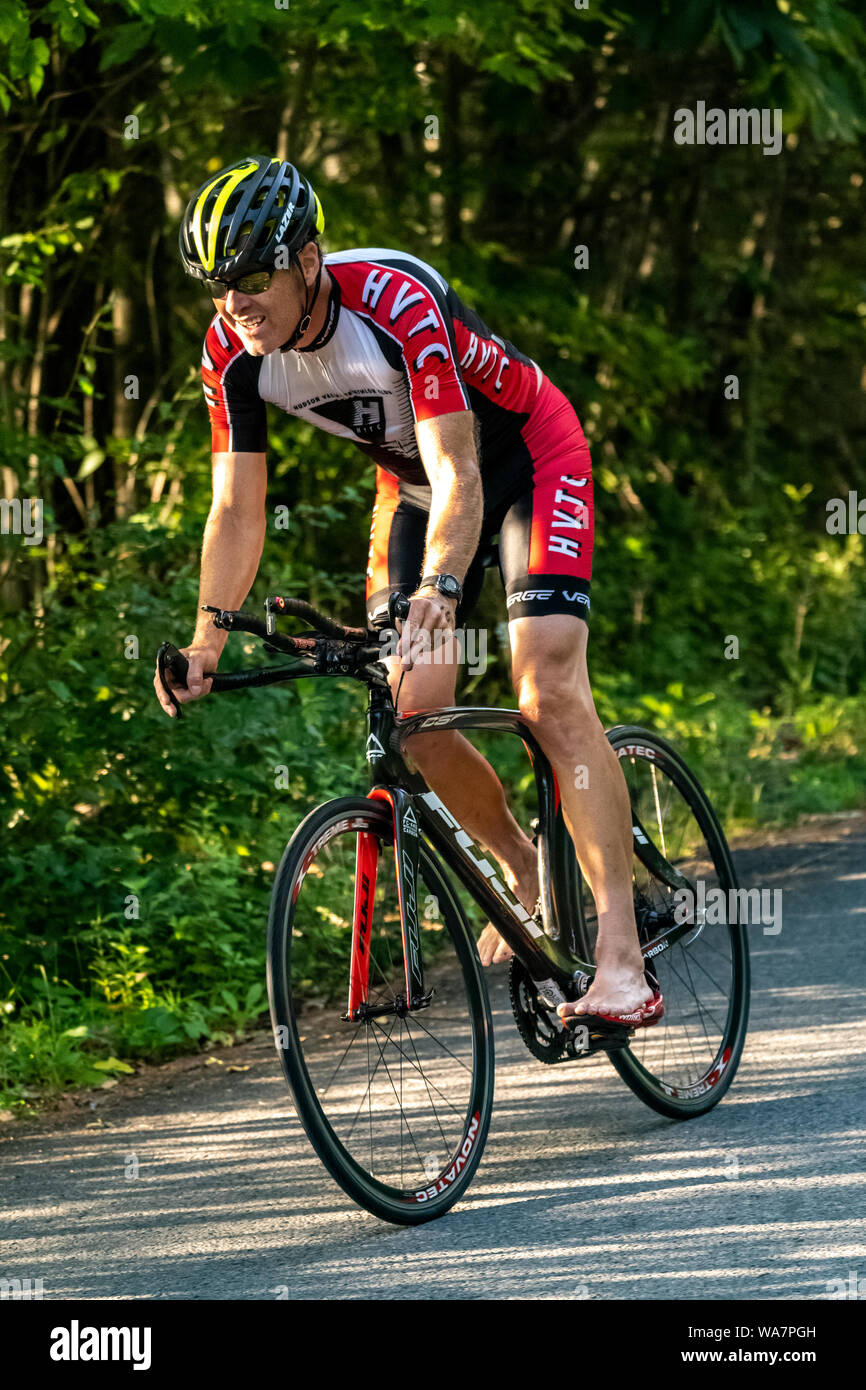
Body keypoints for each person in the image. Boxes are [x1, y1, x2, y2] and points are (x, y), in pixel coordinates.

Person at [154, 154, 663, 1029]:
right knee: (414, 710)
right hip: (417, 486)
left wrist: (441, 585)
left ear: (307, 260)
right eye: (215, 287)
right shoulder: (231, 354)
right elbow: (236, 507)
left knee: (544, 689)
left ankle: (619, 957)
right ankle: (528, 864)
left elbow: (463, 468)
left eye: (251, 278)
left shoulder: (395, 302)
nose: (234, 304)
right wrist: (208, 641)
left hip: (527, 460)